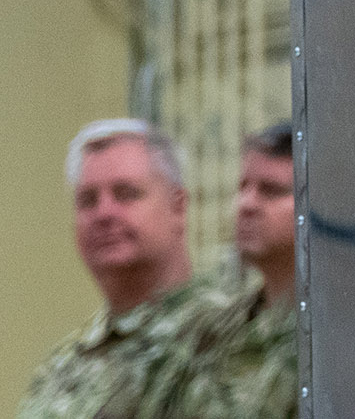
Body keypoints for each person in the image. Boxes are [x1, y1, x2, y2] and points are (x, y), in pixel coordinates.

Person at [20, 120, 226, 419]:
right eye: (88, 200)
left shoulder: (225, 336)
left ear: (178, 207)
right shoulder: (62, 368)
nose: (104, 213)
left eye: (126, 193)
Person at [158, 122, 301, 418]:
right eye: (243, 187)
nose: (246, 204)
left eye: (271, 191)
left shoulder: (333, 335)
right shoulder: (211, 332)